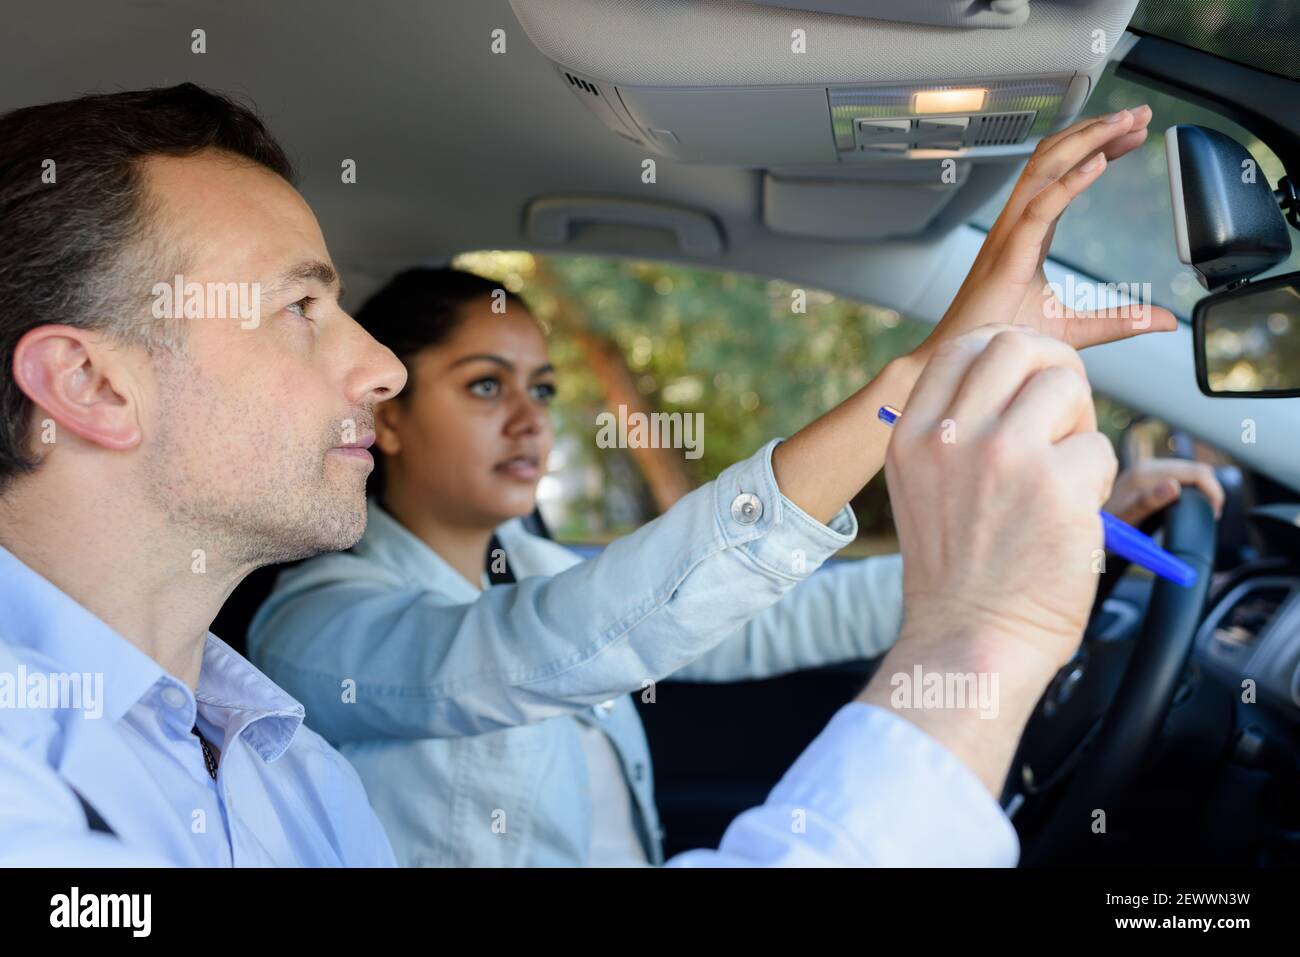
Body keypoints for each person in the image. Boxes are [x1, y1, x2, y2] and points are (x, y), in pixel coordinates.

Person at [0, 82, 1174, 867]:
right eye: (303, 310)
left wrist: (1026, 575)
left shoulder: (271, 756)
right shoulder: (316, 645)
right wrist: (979, 627)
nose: (370, 367)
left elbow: (752, 611)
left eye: (543, 387)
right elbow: (563, 642)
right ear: (92, 386)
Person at [249, 265, 1222, 866]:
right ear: (388, 417)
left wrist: (1054, 549)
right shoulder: (314, 625)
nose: (529, 416)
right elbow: (531, 652)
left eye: (541, 387)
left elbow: (777, 615)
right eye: (484, 385)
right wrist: (913, 384)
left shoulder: (537, 562)